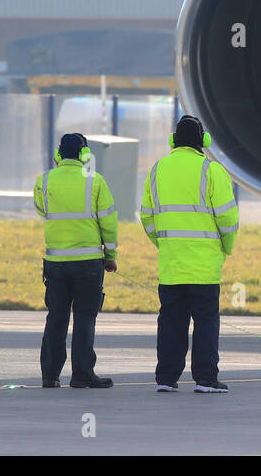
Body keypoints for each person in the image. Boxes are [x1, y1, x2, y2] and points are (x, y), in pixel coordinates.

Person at [140, 115, 238, 393]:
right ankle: (206, 379)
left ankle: (166, 379)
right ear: (203, 141)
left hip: (171, 265)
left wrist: (164, 244)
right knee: (205, 322)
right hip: (204, 266)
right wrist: (225, 248)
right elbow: (228, 220)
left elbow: (147, 217)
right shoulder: (212, 171)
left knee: (171, 321)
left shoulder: (158, 169)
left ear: (173, 141)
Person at [33, 132, 117, 389]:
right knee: (84, 318)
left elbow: (41, 209)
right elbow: (109, 222)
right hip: (89, 263)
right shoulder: (95, 181)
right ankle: (82, 374)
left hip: (56, 262)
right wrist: (110, 256)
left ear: (58, 154)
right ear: (84, 155)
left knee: (56, 317)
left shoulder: (44, 180)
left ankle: (50, 375)